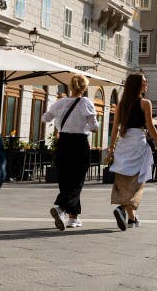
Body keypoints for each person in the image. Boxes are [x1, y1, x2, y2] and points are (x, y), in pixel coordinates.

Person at [107, 74, 157, 231]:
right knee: (139, 180)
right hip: (138, 141)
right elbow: (150, 126)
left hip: (123, 143)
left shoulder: (121, 104)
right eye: (144, 81)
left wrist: (111, 148)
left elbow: (115, 129)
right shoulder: (145, 103)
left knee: (123, 179)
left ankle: (131, 218)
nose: (147, 83)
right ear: (138, 85)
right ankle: (123, 209)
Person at [42, 75, 99, 230]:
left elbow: (45, 118)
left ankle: (73, 218)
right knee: (77, 179)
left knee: (65, 178)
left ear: (70, 86)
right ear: (84, 88)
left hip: (63, 142)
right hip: (79, 143)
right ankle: (61, 208)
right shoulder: (86, 103)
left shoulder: (60, 102)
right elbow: (94, 127)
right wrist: (86, 125)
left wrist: (59, 114)